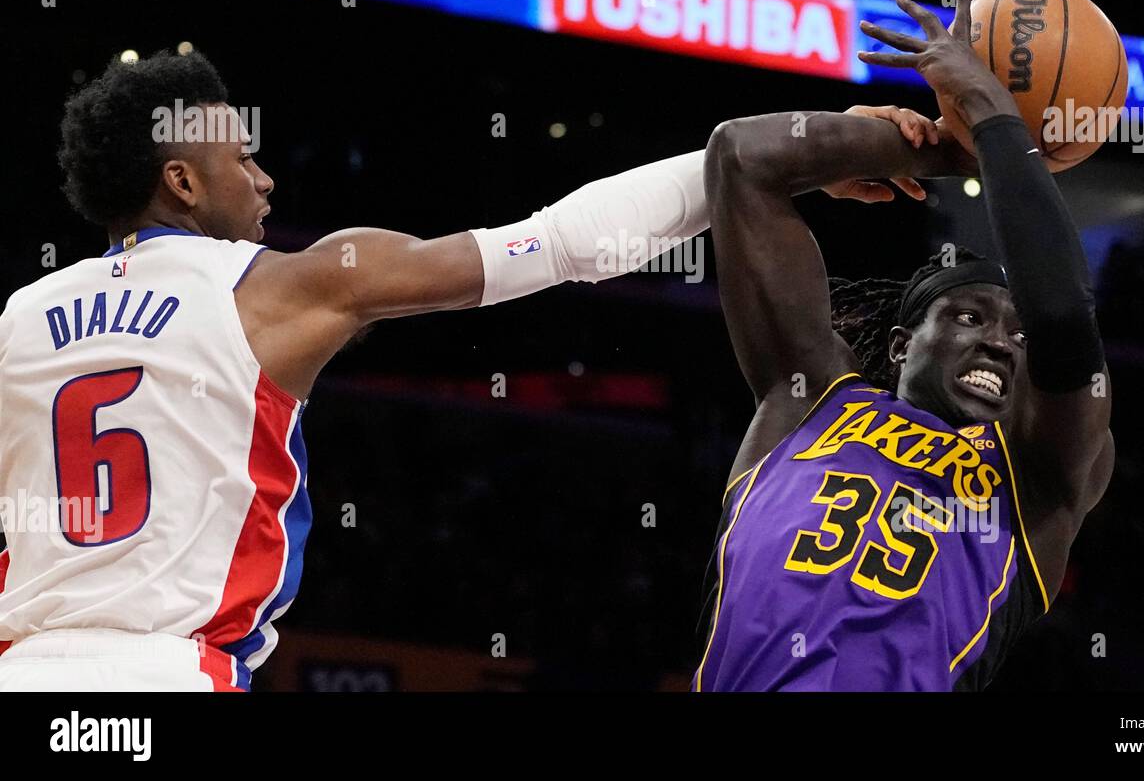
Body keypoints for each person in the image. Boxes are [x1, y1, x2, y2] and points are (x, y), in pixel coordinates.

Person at [0, 48, 719, 690]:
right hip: (168, 672)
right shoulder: (279, 287)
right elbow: (559, 244)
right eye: (244, 159)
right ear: (183, 182)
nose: (265, 179)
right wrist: (746, 162)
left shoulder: (20, 317)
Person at [694, 0, 1114, 690]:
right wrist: (928, 149)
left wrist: (989, 110)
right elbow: (740, 155)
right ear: (898, 346)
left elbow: (1066, 319)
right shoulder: (811, 402)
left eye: (1019, 334)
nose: (1002, 342)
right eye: (970, 316)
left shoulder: (1037, 479)